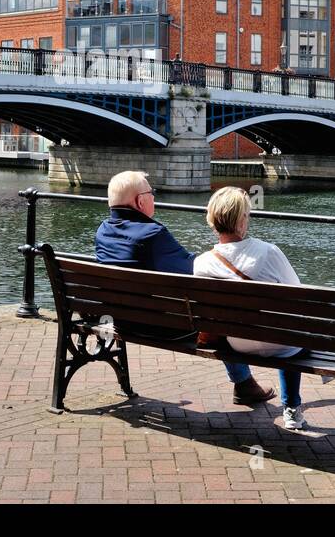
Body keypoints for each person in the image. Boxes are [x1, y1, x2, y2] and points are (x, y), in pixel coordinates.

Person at [95, 171, 274, 405]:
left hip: (118, 321)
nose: (154, 198)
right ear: (140, 201)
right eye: (151, 193)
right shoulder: (152, 234)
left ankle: (245, 384)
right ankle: (244, 384)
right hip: (159, 327)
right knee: (220, 312)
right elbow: (195, 269)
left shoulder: (103, 231)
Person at [194, 187, 309, 430]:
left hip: (239, 343)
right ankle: (292, 409)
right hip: (282, 344)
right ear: (242, 220)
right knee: (290, 329)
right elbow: (299, 297)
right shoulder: (268, 252)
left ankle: (247, 383)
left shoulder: (201, 263)